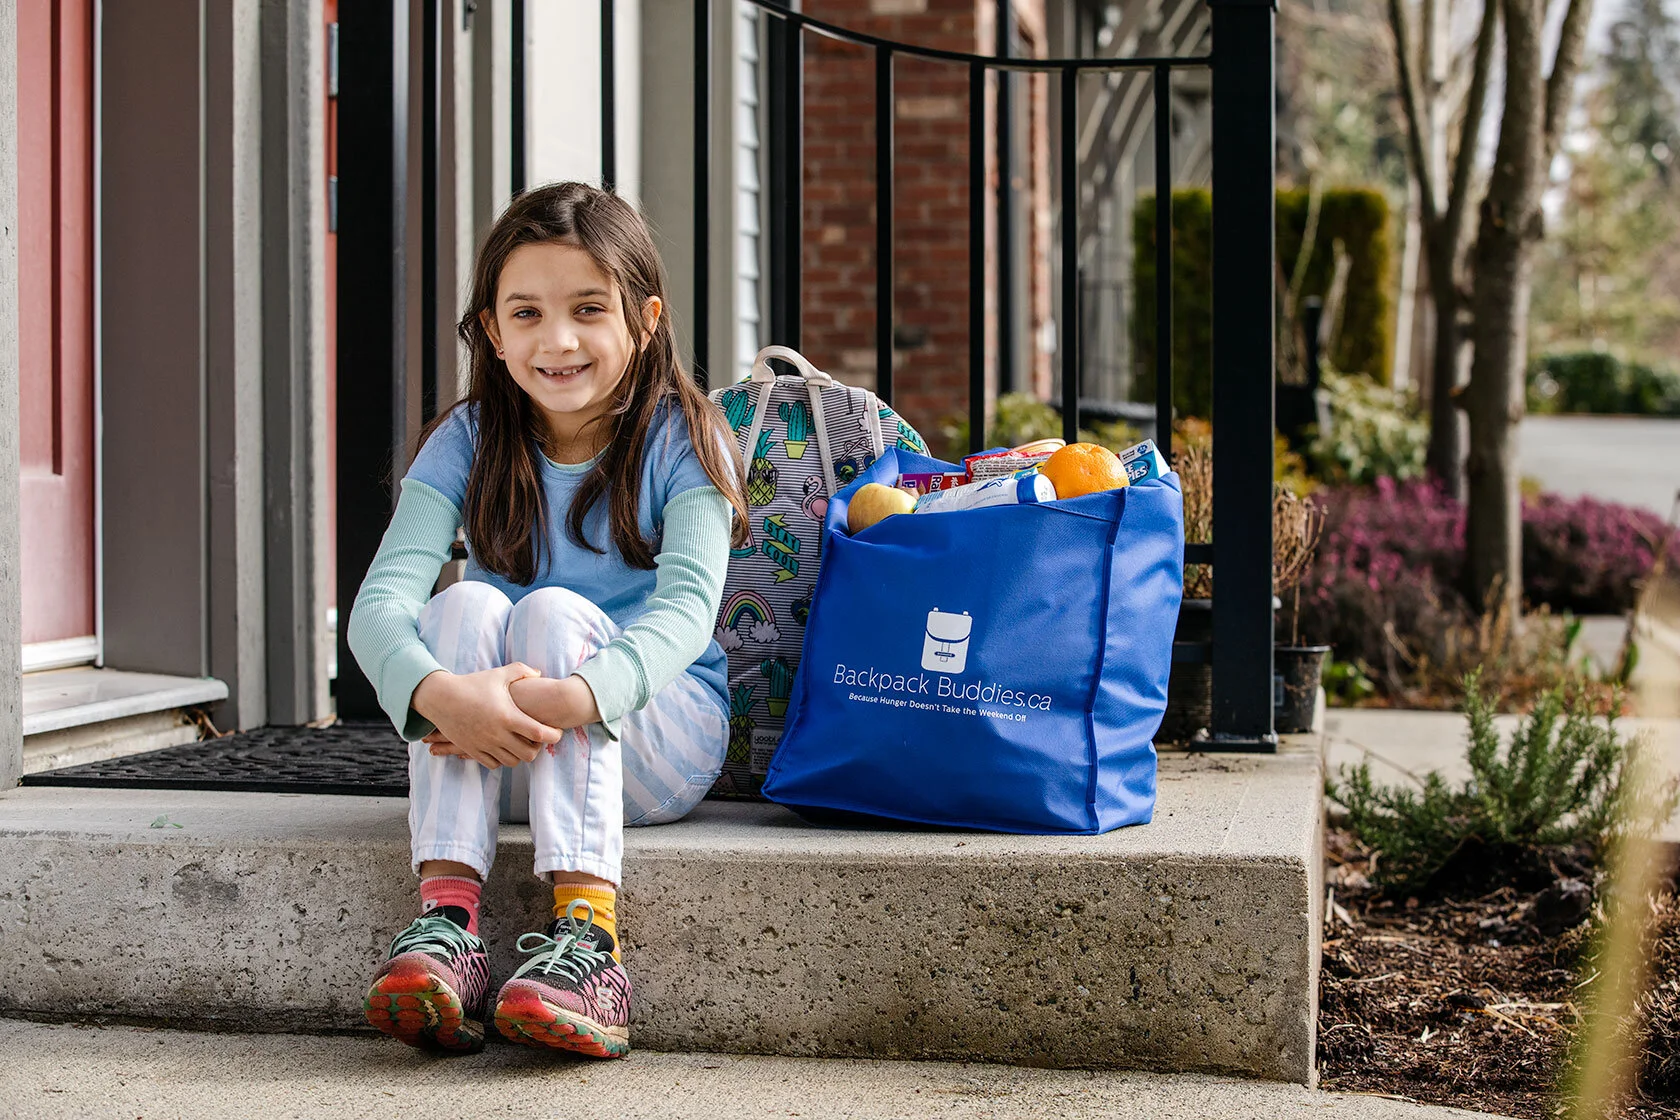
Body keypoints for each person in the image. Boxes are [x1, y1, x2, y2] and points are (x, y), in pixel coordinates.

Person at [347, 181, 747, 1059]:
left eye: (588, 310)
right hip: (506, 742)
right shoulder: (468, 438)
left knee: (554, 612)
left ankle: (590, 944)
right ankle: (448, 927)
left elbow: (687, 609)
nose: (556, 340)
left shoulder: (686, 436)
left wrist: (580, 694)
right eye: (526, 313)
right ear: (493, 332)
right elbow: (378, 607)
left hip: (654, 738)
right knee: (464, 604)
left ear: (644, 320)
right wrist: (439, 694)